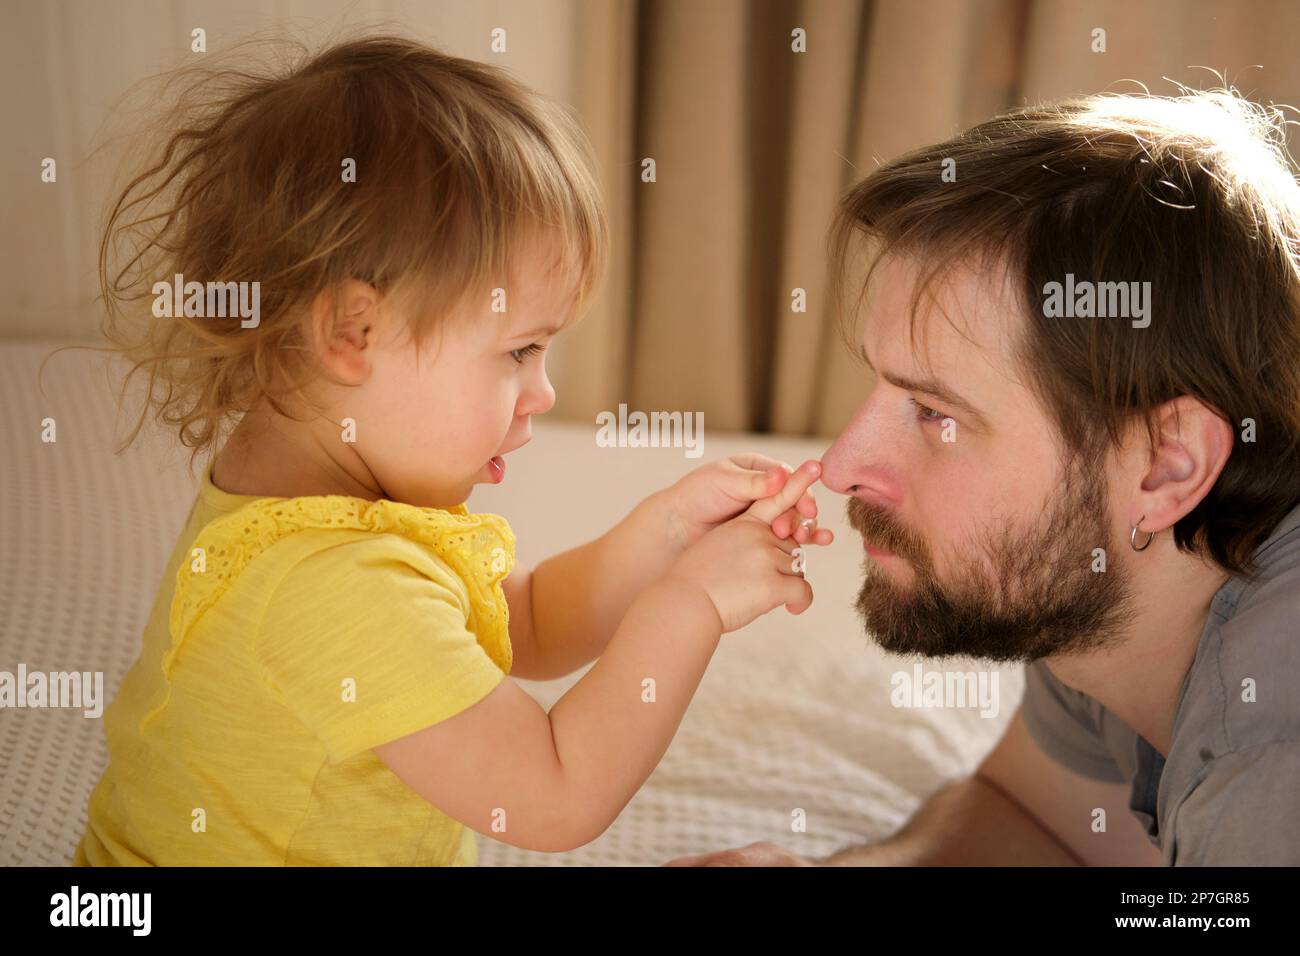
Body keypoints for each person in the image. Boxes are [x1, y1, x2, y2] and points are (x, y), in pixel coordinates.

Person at [72, 34, 833, 866]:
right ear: (354, 332)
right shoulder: (332, 588)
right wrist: (689, 605)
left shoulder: (316, 511)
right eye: (519, 352)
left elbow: (527, 622)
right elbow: (554, 794)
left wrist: (669, 533)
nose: (543, 393)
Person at [668, 88, 1300, 866]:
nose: (841, 466)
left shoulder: (1272, 761)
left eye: (936, 414)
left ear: (1169, 464)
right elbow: (1032, 816)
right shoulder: (1108, 581)